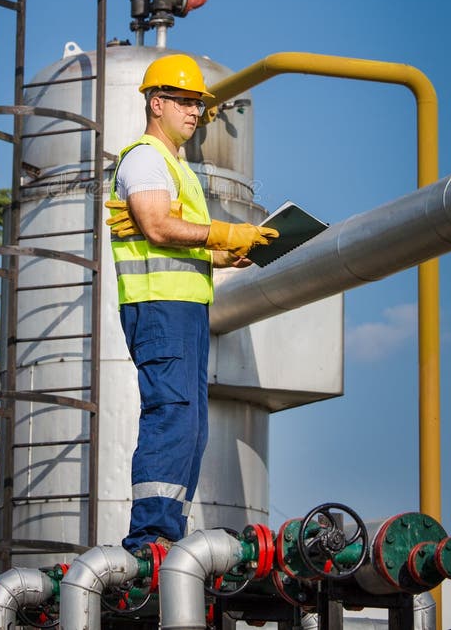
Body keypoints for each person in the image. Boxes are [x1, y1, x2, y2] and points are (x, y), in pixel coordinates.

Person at [105, 53, 278, 553]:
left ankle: (167, 532)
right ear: (156, 103)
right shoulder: (145, 158)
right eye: (184, 101)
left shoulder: (176, 166)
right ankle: (150, 537)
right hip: (159, 308)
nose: (195, 112)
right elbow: (158, 226)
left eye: (198, 104)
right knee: (173, 414)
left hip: (184, 310)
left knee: (192, 426)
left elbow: (175, 240)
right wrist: (226, 232)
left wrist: (224, 253)